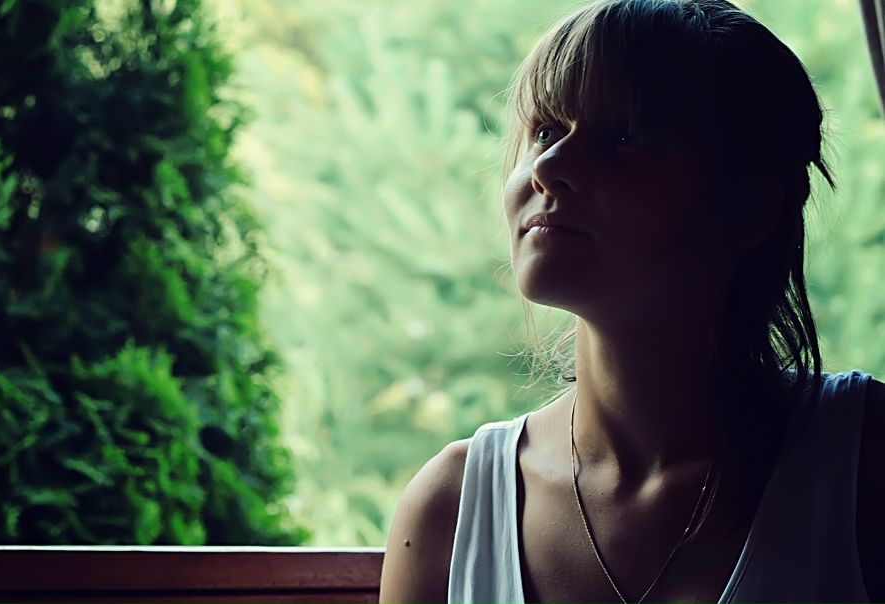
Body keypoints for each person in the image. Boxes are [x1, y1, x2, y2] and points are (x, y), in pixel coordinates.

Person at [378, 0, 885, 602]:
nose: (548, 166)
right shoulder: (451, 509)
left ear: (748, 206)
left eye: (623, 137)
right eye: (545, 131)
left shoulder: (867, 463)